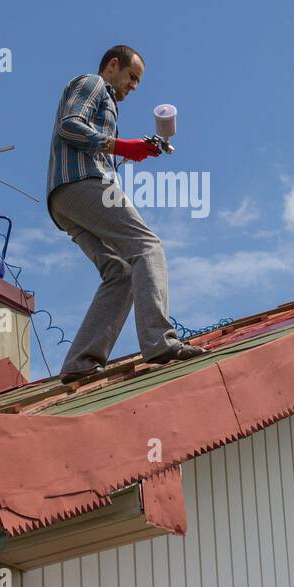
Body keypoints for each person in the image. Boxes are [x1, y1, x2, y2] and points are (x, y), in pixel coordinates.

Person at [46, 44, 207, 383]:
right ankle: (161, 342)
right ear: (113, 65)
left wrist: (132, 149)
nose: (133, 86)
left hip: (64, 199)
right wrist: (122, 146)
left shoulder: (108, 102)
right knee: (146, 246)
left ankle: (81, 361)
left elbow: (87, 136)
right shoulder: (92, 83)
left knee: (119, 273)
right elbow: (69, 126)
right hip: (82, 183)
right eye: (132, 77)